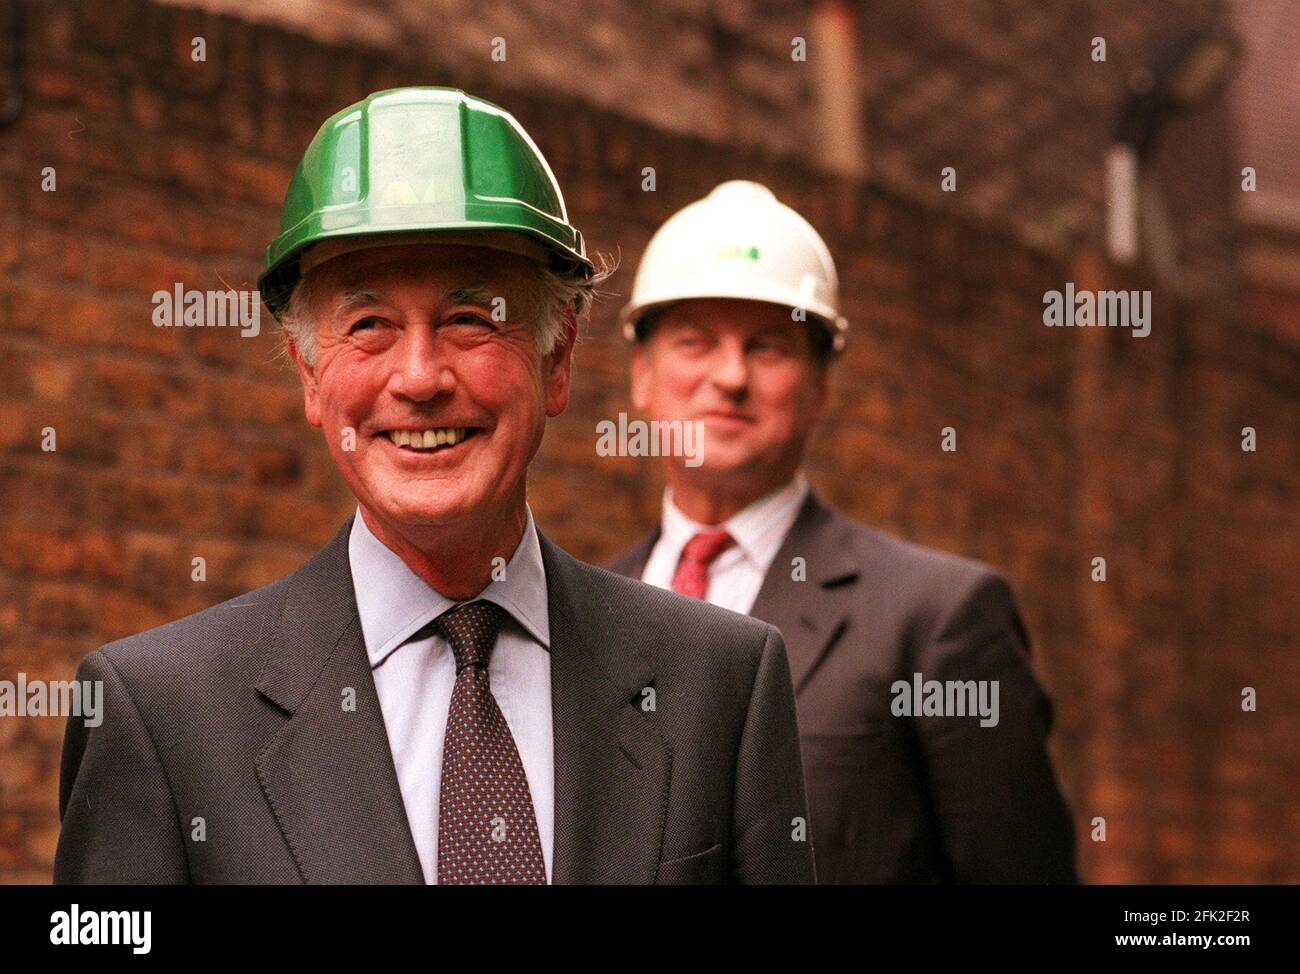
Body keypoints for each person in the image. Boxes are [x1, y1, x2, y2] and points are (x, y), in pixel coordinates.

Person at [53, 91, 814, 885]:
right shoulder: (159, 715)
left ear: (558, 360)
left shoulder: (721, 682)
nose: (419, 379)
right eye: (369, 324)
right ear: (311, 374)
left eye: (470, 318)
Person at [608, 180, 1077, 883]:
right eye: (695, 342)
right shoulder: (580, 614)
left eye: (768, 347)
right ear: (642, 376)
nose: (730, 376)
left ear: (822, 387)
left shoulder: (938, 619)